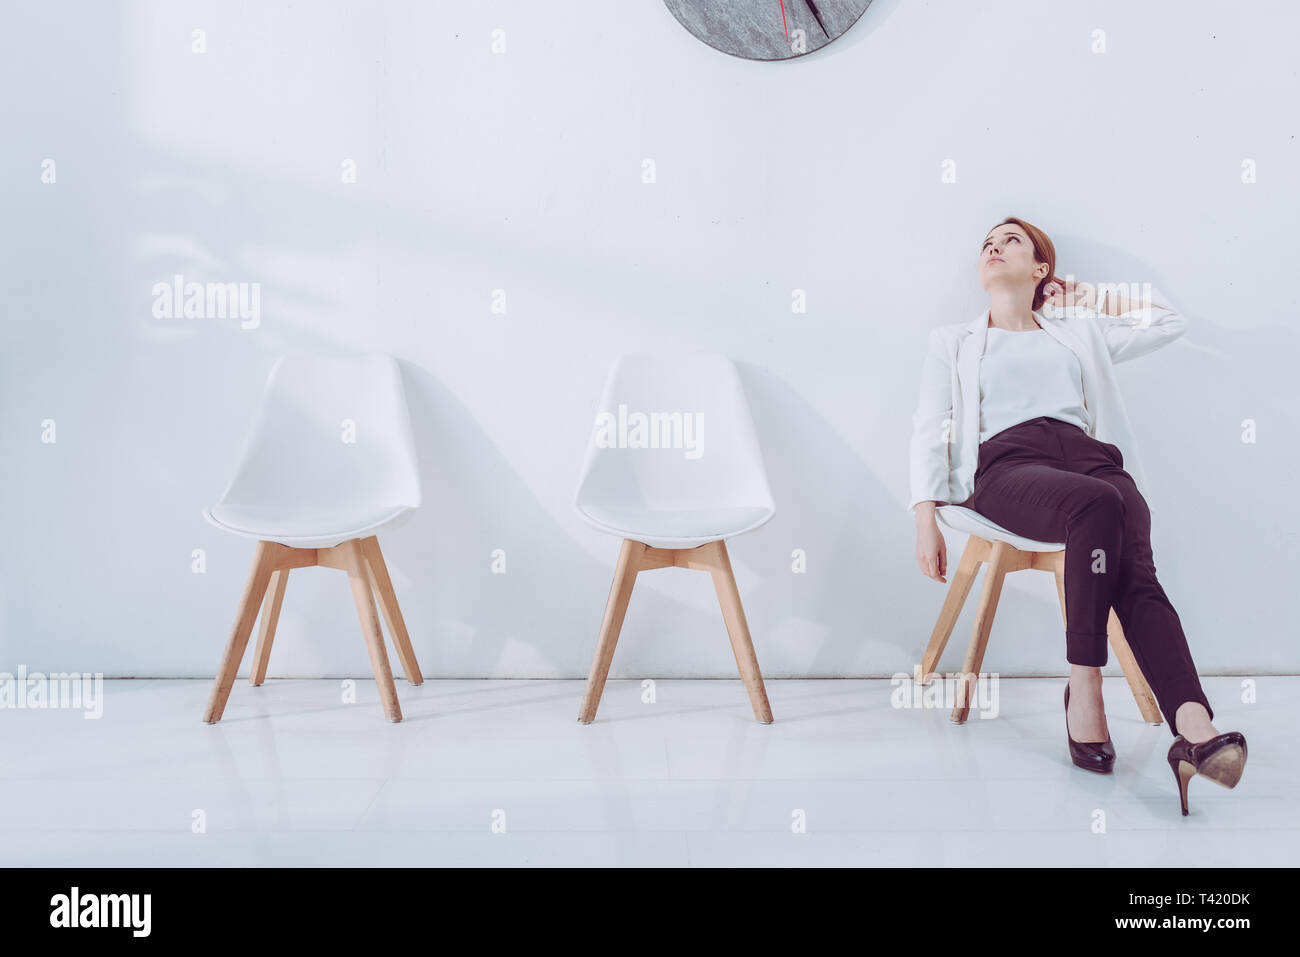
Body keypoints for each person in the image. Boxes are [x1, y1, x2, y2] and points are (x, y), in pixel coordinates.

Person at [907, 216, 1246, 815]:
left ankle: (1193, 727)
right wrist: (924, 513)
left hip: (1089, 459)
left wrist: (1090, 296)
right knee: (1102, 503)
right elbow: (930, 428)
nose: (992, 246)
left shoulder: (1075, 329)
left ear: (1041, 269)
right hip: (1005, 469)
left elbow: (1170, 319)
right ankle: (1085, 683)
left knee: (1131, 551)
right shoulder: (954, 342)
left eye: (1010, 240)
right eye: (987, 241)